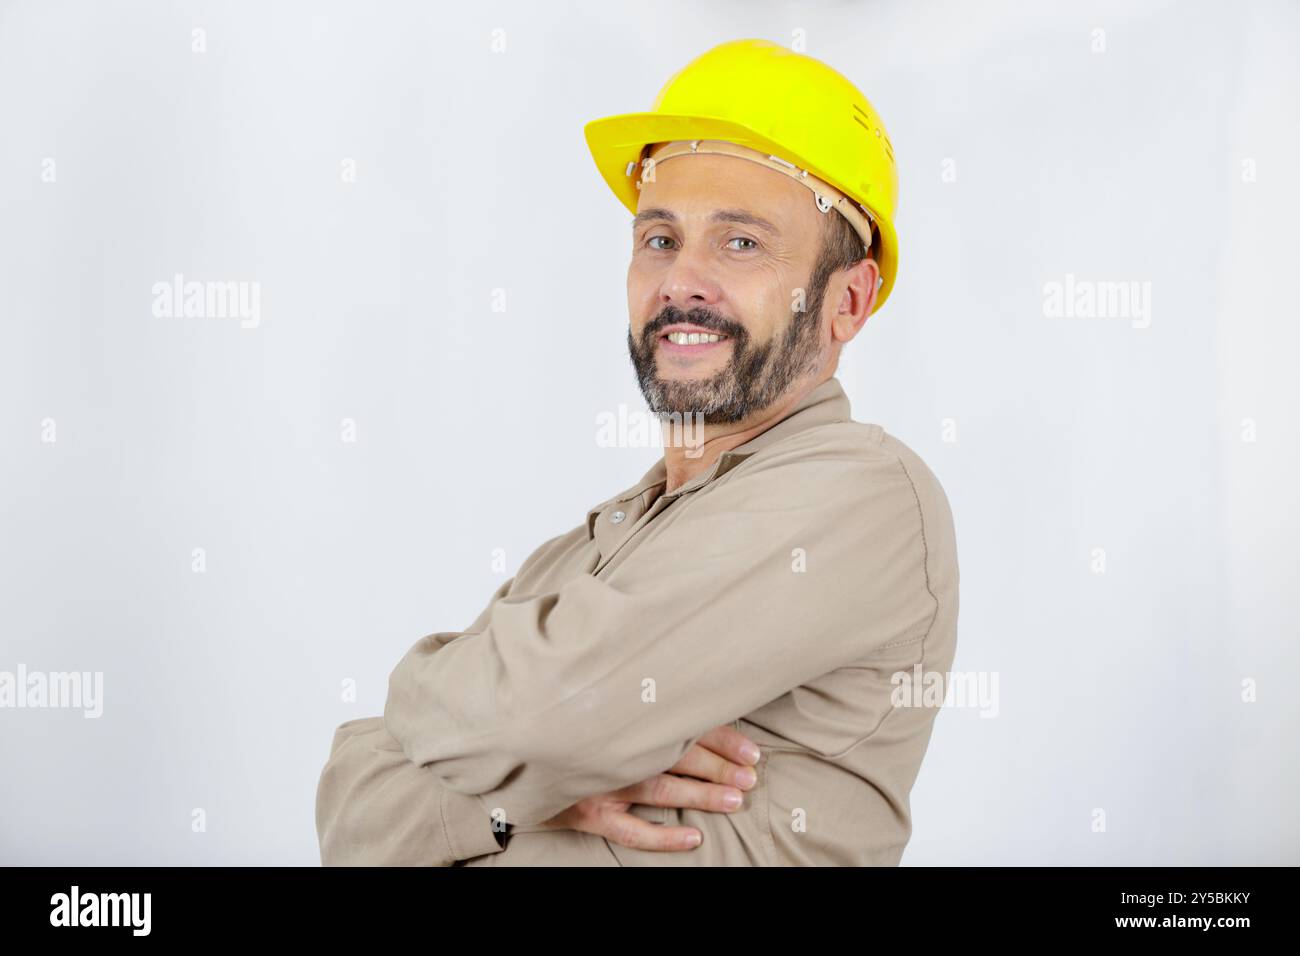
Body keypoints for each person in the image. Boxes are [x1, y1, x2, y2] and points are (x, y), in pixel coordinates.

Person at [316, 37, 958, 867]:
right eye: (659, 238)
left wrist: (488, 743)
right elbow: (347, 804)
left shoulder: (865, 497)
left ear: (848, 300)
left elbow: (530, 719)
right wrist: (534, 795)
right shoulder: (585, 550)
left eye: (741, 244)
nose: (681, 280)